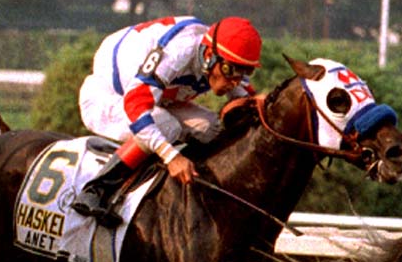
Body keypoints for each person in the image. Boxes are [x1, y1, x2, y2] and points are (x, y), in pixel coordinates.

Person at [72, 15, 261, 226]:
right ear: (209, 56)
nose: (235, 81)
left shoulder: (222, 60)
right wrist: (171, 157)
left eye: (245, 71)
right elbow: (136, 104)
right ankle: (96, 189)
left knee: (210, 128)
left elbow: (248, 100)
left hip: (155, 98)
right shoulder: (177, 53)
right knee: (166, 126)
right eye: (230, 70)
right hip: (110, 94)